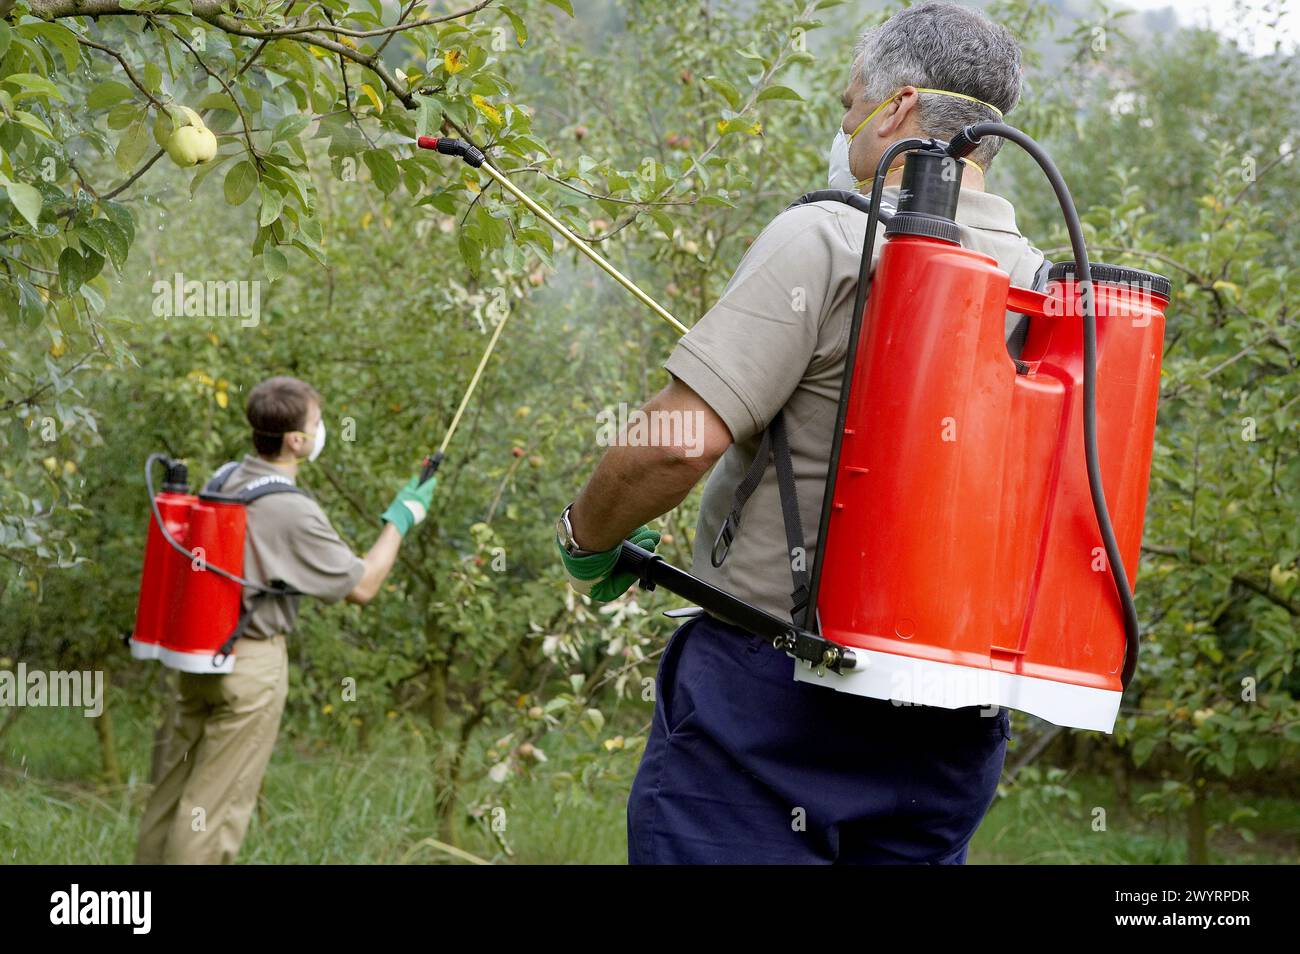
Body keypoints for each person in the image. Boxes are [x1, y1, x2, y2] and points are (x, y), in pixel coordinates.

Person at [556, 2, 1044, 863]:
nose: (844, 123)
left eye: (848, 102)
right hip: (953, 718)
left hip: (774, 698)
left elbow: (677, 441)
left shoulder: (823, 236)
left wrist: (586, 538)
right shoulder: (1048, 280)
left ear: (896, 108)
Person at [137, 375, 435, 864]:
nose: (321, 432)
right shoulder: (292, 509)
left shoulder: (226, 477)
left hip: (196, 657)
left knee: (170, 799)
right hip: (250, 669)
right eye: (317, 423)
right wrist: (402, 516)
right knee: (211, 812)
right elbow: (361, 585)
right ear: (296, 441)